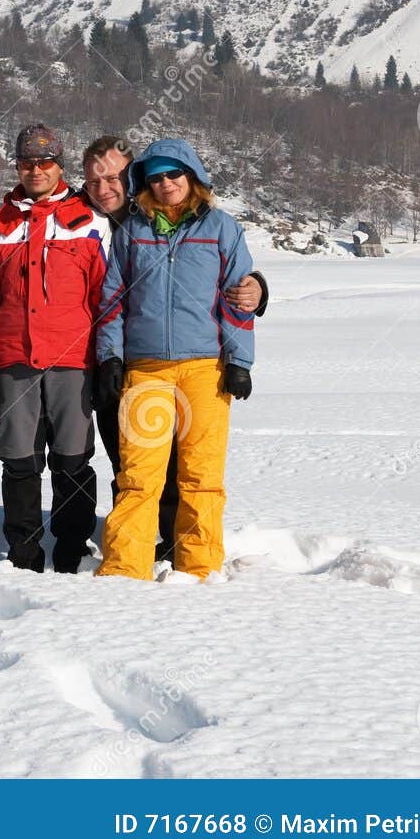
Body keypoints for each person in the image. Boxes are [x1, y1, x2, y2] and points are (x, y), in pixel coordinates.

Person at [81, 136, 268, 565]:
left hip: (205, 369)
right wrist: (110, 356)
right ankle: (126, 567)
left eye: (174, 174)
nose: (166, 183)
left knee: (201, 475)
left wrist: (240, 361)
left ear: (193, 176)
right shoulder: (133, 230)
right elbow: (112, 300)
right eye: (156, 177)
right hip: (146, 370)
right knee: (139, 476)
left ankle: (198, 566)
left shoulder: (222, 228)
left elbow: (236, 298)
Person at [0, 126, 110, 573]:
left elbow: (108, 299)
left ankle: (70, 550)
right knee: (20, 464)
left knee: (72, 461)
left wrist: (107, 359)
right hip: (13, 366)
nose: (36, 169)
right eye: (27, 162)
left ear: (60, 166)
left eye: (44, 161)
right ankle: (24, 555)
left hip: (73, 363)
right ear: (17, 166)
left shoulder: (90, 221)